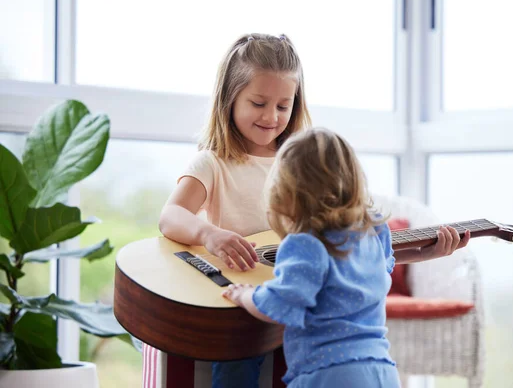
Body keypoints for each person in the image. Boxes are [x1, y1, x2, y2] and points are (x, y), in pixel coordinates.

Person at [222, 128, 471, 388]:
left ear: (287, 191)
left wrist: (245, 295)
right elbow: (379, 263)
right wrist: (426, 253)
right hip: (382, 371)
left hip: (330, 373)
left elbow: (277, 304)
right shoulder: (371, 231)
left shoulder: (306, 244)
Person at [151, 33, 312, 388]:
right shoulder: (212, 162)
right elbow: (171, 216)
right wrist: (208, 233)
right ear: (229, 99)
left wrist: (423, 249)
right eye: (258, 103)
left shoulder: (300, 163)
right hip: (240, 302)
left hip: (295, 292)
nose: (272, 116)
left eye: (283, 106)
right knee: (237, 359)